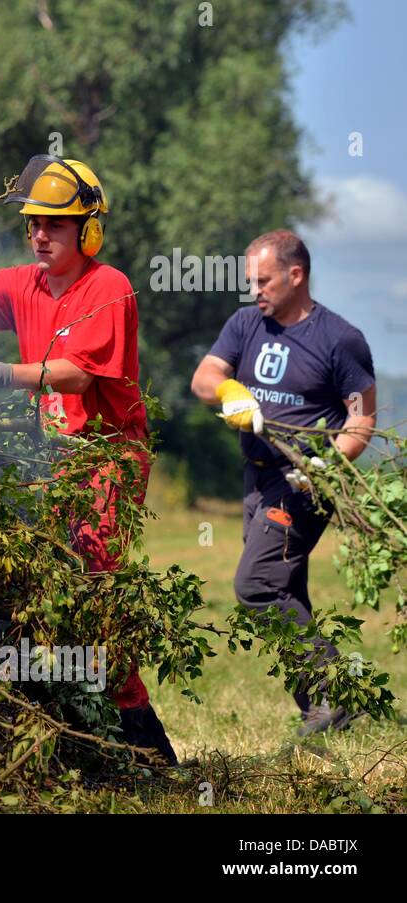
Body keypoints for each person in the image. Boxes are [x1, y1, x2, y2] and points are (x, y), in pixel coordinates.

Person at [0, 155, 177, 764]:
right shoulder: (25, 283)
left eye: (56, 225)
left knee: (92, 579)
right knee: (41, 580)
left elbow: (77, 376)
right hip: (56, 459)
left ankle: (144, 741)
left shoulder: (109, 287)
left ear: (87, 230)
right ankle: (77, 728)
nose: (41, 235)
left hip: (108, 456)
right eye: (35, 224)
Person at [190, 229, 376, 737]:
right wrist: (227, 391)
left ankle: (338, 690)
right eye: (251, 281)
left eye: (264, 280)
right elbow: (203, 376)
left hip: (303, 484)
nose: (256, 291)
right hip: (256, 476)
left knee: (256, 586)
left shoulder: (341, 340)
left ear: (296, 275)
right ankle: (321, 707)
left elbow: (361, 422)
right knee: (285, 588)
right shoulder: (246, 322)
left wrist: (321, 468)